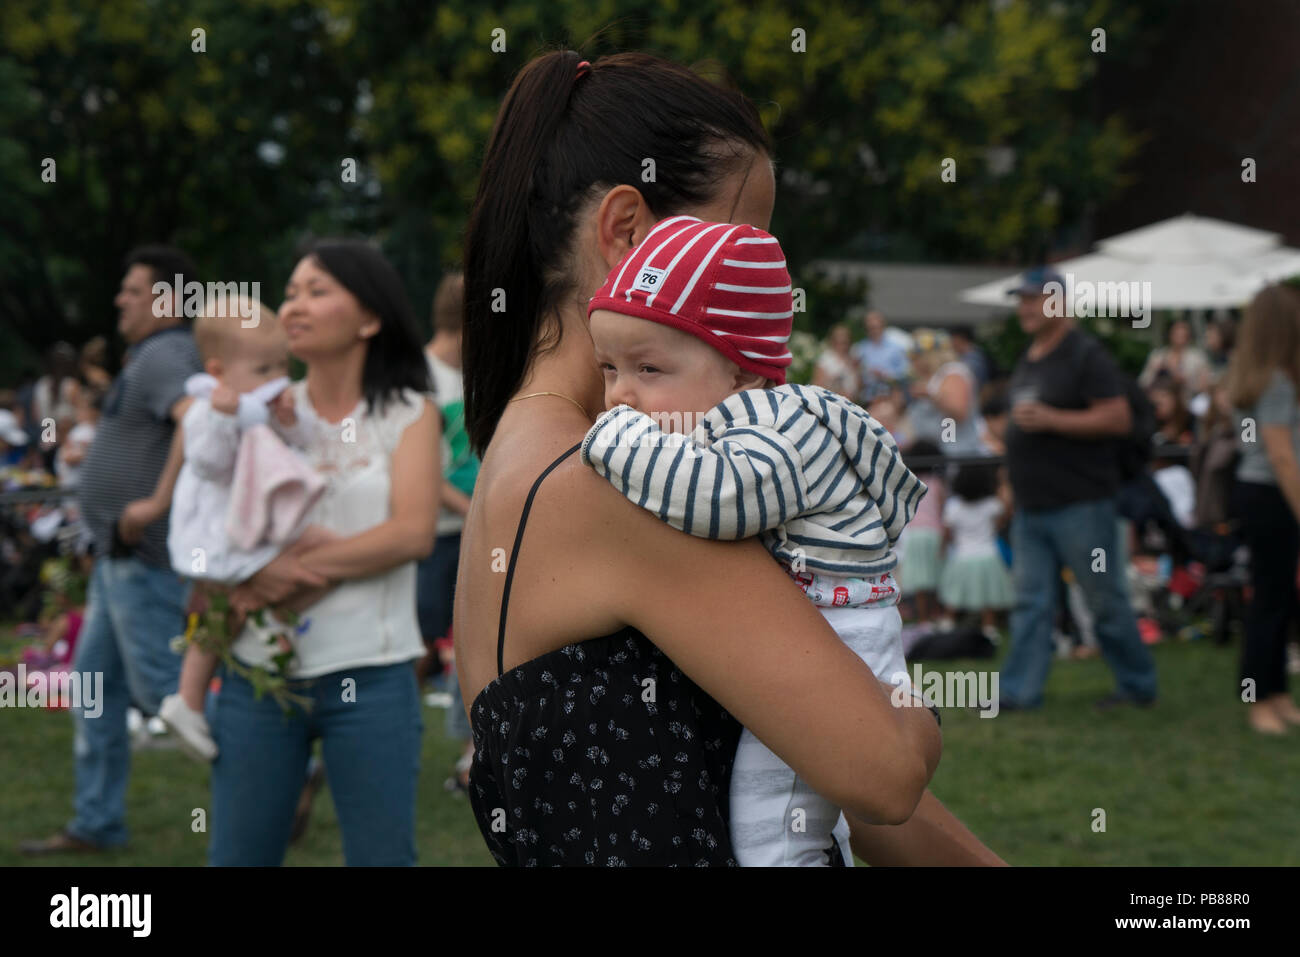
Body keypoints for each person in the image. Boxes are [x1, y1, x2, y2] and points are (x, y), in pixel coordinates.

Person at [456, 49, 1000, 867]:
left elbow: (810, 764)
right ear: (627, 232)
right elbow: (882, 772)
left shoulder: (521, 453)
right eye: (748, 246)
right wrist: (911, 717)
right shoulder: (621, 483)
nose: (769, 292)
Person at [580, 216, 928, 866]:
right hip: (833, 619)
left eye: (648, 368)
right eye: (607, 368)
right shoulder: (749, 415)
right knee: (814, 819)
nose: (619, 395)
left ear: (741, 373)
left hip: (844, 627)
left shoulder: (780, 428)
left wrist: (610, 440)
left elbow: (718, 499)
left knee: (772, 828)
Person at [208, 240, 437, 866]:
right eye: (290, 292)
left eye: (317, 290)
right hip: (258, 678)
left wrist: (283, 574)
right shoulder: (258, 414)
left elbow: (412, 533)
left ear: (368, 318)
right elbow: (212, 524)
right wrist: (261, 575)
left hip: (372, 672)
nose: (293, 306)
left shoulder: (409, 414)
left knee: (383, 859)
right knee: (237, 858)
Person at [20, 245, 202, 856]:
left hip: (141, 560)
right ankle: (96, 824)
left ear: (168, 301)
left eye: (133, 290)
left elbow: (195, 418)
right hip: (116, 563)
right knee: (94, 689)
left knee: (167, 696)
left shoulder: (167, 353)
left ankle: (278, 774)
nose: (120, 299)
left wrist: (154, 503)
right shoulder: (150, 355)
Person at [157, 297, 334, 762]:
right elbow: (209, 464)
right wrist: (222, 417)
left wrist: (291, 422)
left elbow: (300, 446)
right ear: (218, 371)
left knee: (229, 612)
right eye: (262, 368)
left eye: (281, 364)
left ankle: (197, 695)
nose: (276, 377)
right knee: (221, 612)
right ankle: (188, 699)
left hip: (249, 526)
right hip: (218, 533)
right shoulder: (204, 409)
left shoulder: (268, 404)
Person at [998, 266, 1157, 711]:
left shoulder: (1086, 355)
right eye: (1021, 299)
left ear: (1058, 303)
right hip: (1033, 505)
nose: (1024, 308)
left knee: (1103, 598)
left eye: (1033, 299)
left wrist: (1053, 420)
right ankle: (1019, 692)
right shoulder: (1031, 356)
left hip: (1082, 504)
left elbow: (1118, 417)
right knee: (1031, 602)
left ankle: (1138, 685)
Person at [1225, 284, 1300, 734]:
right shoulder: (1277, 381)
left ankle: (1276, 695)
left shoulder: (1250, 376)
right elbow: (1280, 454)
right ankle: (1258, 701)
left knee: (1277, 598)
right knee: (1269, 602)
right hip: (1273, 494)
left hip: (1255, 491)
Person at [417, 271, 479, 792]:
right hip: (432, 537)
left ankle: (470, 758)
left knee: (472, 641)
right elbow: (421, 474)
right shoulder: (418, 376)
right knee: (419, 648)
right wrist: (476, 509)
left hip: (478, 534)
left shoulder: (482, 372)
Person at [937, 462, 1014, 640]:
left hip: (962, 556)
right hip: (988, 555)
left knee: (954, 593)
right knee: (988, 595)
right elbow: (1000, 524)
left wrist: (944, 548)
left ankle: (948, 622)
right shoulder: (992, 504)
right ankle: (989, 628)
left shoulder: (953, 505)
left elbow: (948, 533)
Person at [897, 440, 946, 626]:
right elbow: (942, 510)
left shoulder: (909, 484)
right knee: (935, 575)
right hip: (934, 533)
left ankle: (924, 618)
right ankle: (937, 613)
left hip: (913, 534)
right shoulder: (937, 483)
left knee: (919, 578)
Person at [1138, 318, 1211, 394]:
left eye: (1183, 335)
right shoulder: (1157, 356)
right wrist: (1157, 372)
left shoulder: (1198, 357)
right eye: (1176, 334)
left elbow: (1205, 385)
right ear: (1170, 334)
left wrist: (1185, 381)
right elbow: (1143, 382)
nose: (1179, 337)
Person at [852, 310, 911, 403]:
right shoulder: (860, 348)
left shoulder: (896, 348)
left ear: (883, 326)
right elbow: (855, 374)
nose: (873, 331)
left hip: (890, 397)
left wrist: (885, 376)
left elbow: (905, 373)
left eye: (876, 327)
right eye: (870, 328)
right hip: (866, 398)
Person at [811, 323, 861, 399]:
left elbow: (860, 386)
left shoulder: (854, 358)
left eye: (845, 342)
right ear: (833, 341)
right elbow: (817, 385)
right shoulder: (825, 359)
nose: (842, 346)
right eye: (839, 342)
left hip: (851, 402)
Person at [949, 325, 992, 390]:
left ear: (960, 339)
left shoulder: (974, 358)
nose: (952, 344)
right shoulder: (973, 355)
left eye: (953, 340)